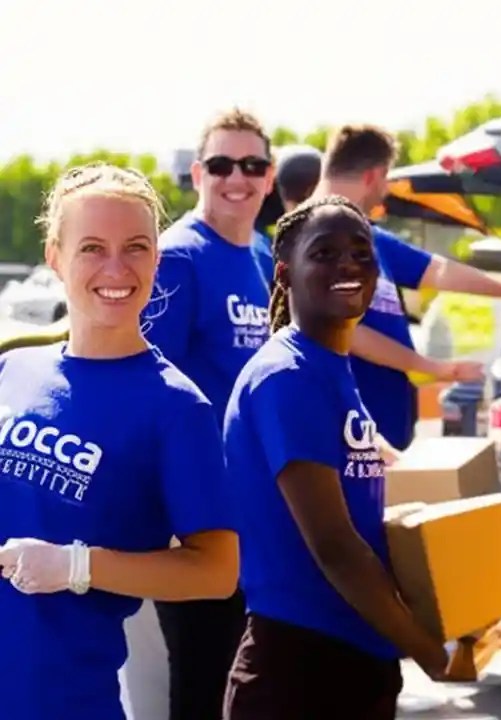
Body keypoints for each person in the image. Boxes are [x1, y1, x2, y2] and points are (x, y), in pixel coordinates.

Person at [221, 195, 501, 719]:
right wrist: (433, 653)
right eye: (324, 253)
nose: (348, 265)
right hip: (301, 669)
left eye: (361, 252)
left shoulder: (330, 367)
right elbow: (334, 545)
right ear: (284, 274)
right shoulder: (289, 376)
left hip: (357, 657)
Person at [0, 163, 238, 720]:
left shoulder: (176, 407)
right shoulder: (13, 369)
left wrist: (79, 566)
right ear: (55, 256)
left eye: (135, 247)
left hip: (61, 700)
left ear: (157, 258)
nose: (116, 267)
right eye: (91, 247)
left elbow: (217, 572)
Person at [141, 107, 276, 720]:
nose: (236, 178)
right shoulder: (179, 258)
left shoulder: (266, 258)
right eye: (221, 164)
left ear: (270, 178)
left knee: (243, 679)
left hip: (259, 509)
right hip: (197, 513)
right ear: (198, 173)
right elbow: (149, 378)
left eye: (252, 165)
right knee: (200, 680)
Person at [307, 124, 501, 452]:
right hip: (345, 439)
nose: (386, 192)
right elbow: (347, 334)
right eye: (386, 181)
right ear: (373, 176)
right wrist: (434, 368)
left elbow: (438, 271)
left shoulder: (365, 236)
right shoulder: (314, 236)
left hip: (382, 436)